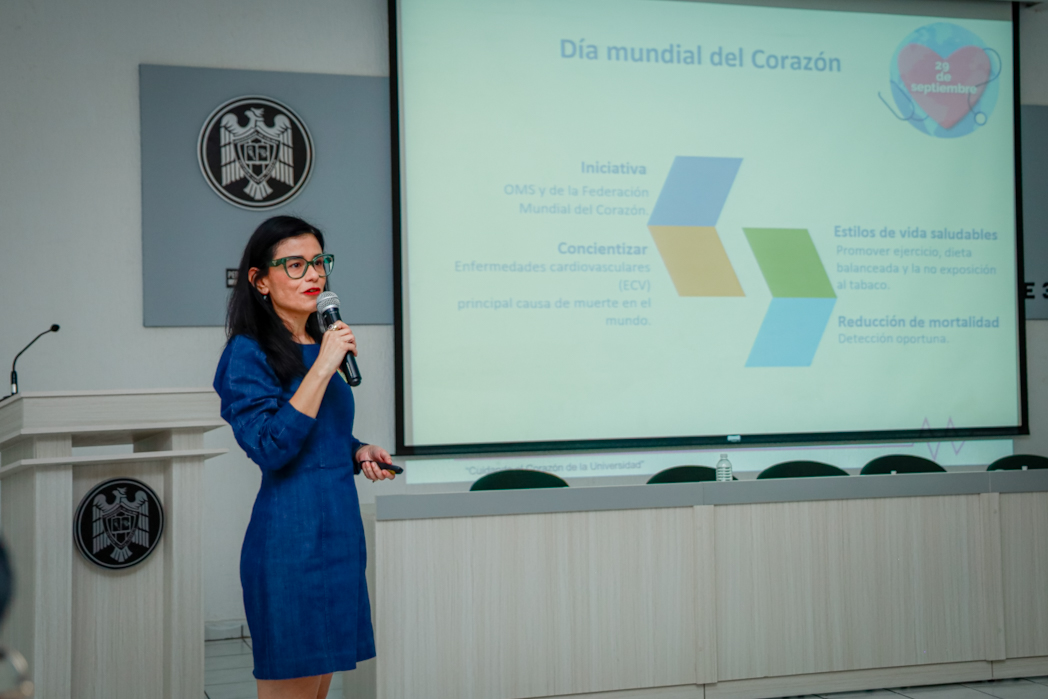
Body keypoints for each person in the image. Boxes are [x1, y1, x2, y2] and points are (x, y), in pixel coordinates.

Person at [213, 216, 394, 699]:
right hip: (289, 543)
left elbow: (321, 432)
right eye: (295, 265)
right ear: (260, 280)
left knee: (319, 691)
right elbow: (271, 447)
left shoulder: (321, 343)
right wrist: (324, 366)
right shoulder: (247, 354)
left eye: (319, 262)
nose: (314, 274)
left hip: (339, 535)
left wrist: (358, 451)